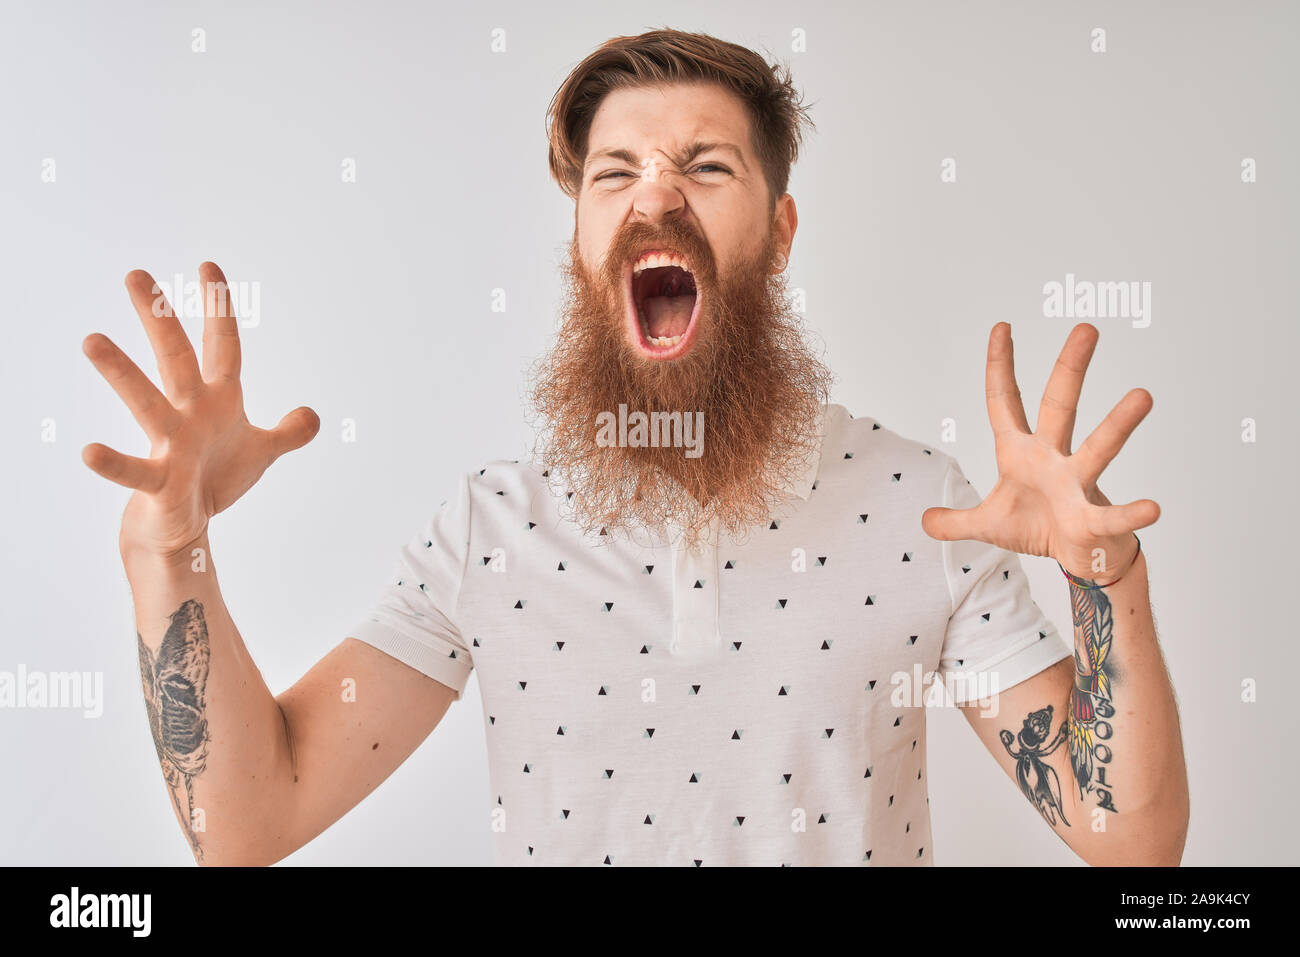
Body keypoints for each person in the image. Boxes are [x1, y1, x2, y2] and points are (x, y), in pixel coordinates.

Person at [81, 28, 1188, 866]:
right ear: (581, 244)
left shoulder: (922, 509)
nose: (654, 193)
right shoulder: (489, 531)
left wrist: (1104, 578)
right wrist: (164, 546)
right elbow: (248, 819)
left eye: (706, 168)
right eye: (613, 175)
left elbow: (1130, 841)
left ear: (780, 231)